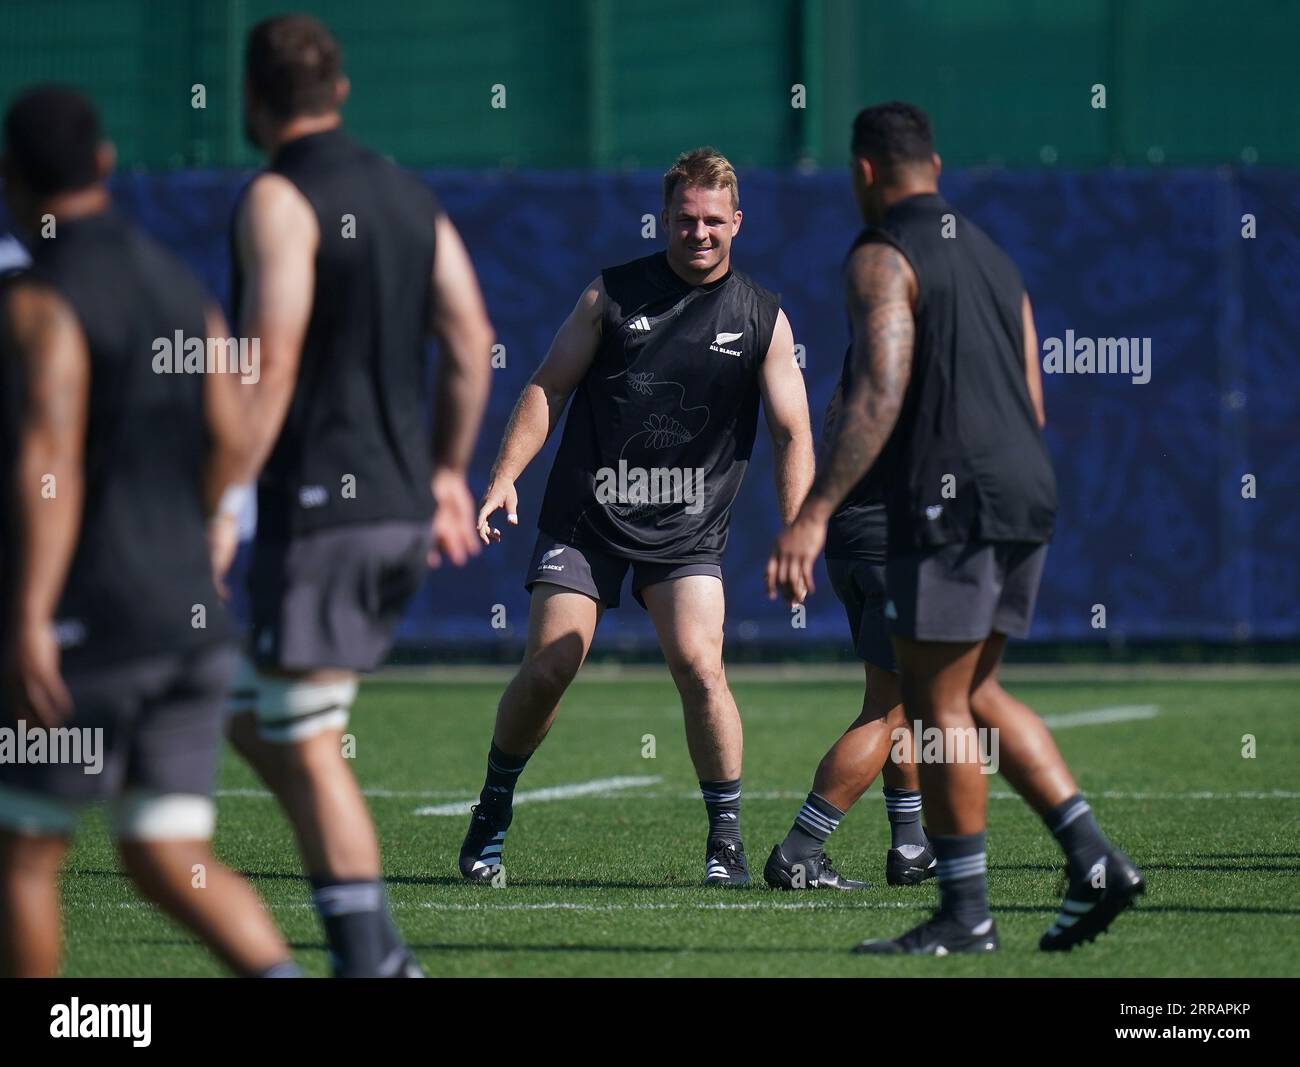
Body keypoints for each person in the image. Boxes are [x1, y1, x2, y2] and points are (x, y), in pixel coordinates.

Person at [767, 102, 1143, 953]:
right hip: (1023, 490)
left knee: (934, 706)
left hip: (949, 499)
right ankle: (1093, 861)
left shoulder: (880, 252)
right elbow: (1033, 399)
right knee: (969, 695)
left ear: (864, 173)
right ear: (933, 165)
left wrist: (814, 512)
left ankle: (965, 911)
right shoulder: (996, 258)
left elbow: (878, 389)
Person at [0, 86, 296, 977]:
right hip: (187, 617)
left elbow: (49, 464)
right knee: (167, 852)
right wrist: (199, 529)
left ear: (8, 178)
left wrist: (29, 618)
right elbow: (234, 434)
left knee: (23, 849)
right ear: (104, 162)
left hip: (91, 619)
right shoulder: (176, 281)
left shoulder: (35, 300)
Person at [221, 15, 493, 976]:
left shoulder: (277, 197)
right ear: (339, 91)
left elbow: (273, 359)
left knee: (302, 731)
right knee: (250, 713)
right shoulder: (408, 195)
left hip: (322, 515)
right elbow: (468, 339)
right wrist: (449, 472)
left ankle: (376, 960)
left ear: (252, 99)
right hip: (396, 512)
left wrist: (217, 504)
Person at [465, 148, 814, 886]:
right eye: (686, 220)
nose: (699, 233)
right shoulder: (611, 296)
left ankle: (726, 842)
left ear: (737, 222)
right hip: (586, 517)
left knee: (699, 663)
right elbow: (547, 387)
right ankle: (493, 811)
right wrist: (503, 479)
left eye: (714, 221)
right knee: (554, 662)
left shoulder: (762, 317)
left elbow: (793, 432)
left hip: (687, 528)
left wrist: (797, 529)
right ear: (665, 219)